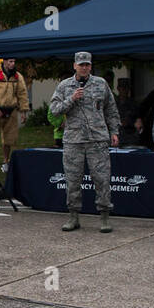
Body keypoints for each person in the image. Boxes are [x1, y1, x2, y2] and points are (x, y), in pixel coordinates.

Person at [50, 51, 120, 232]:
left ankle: (104, 217)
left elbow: (111, 110)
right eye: (81, 64)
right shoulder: (65, 86)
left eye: (87, 64)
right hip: (74, 141)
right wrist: (71, 99)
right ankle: (73, 217)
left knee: (102, 179)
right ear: (74, 66)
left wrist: (114, 131)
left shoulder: (101, 84)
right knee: (73, 180)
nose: (84, 67)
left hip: (97, 139)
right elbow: (54, 110)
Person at [113, 77, 142, 147]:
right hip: (116, 137)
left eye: (126, 88)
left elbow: (139, 121)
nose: (124, 91)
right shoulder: (113, 103)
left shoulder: (134, 104)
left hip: (130, 137)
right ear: (118, 88)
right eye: (122, 88)